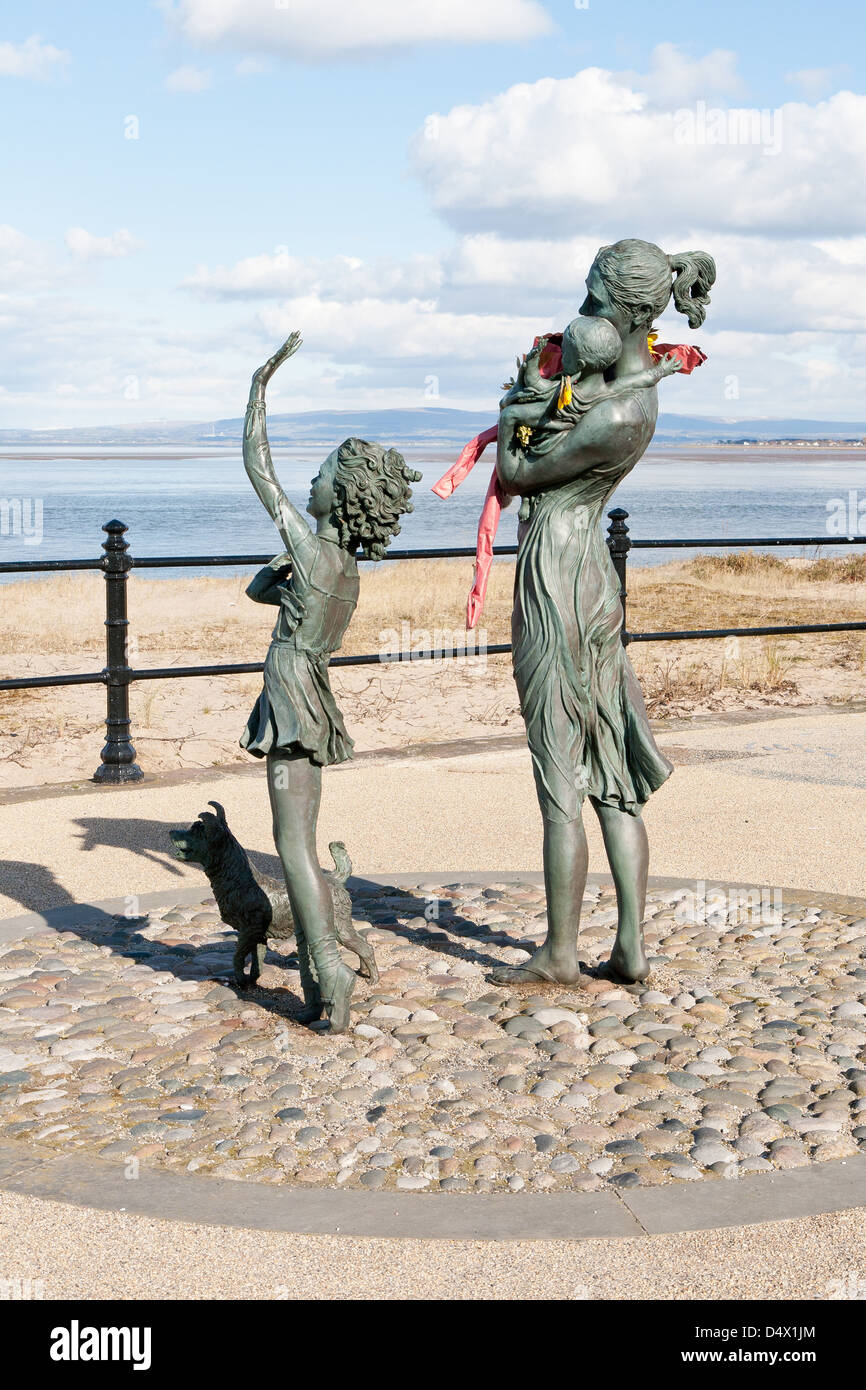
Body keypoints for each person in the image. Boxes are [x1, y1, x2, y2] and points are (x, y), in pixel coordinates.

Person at [489, 239, 716, 987]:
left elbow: (517, 474)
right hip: (596, 582)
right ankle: (629, 945)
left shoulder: (616, 412)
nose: (581, 311)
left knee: (562, 771)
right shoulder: (637, 393)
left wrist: (515, 401)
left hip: (557, 573)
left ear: (623, 313)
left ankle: (559, 953)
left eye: (592, 302)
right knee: (610, 762)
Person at [241, 332, 421, 1030]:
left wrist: (258, 393)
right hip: (313, 688)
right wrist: (268, 582)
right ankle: (323, 971)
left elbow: (260, 471)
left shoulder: (309, 546)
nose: (309, 484)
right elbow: (276, 600)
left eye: (320, 477)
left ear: (338, 496)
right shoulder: (342, 572)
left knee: (292, 844)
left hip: (289, 687)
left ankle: (329, 968)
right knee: (303, 842)